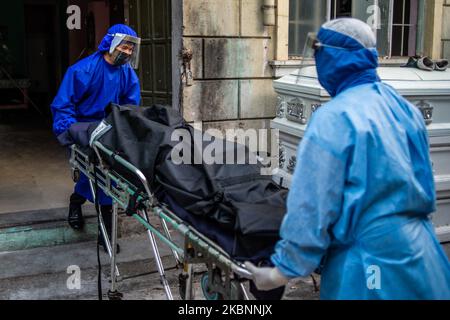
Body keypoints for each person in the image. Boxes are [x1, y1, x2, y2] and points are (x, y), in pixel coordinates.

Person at [246, 18, 450, 300]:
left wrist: (281, 271)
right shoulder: (404, 109)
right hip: (424, 259)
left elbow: (311, 207)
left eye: (319, 56)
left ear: (332, 58)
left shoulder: (333, 118)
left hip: (369, 269)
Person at [51, 24, 141, 250]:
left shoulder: (126, 72)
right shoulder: (82, 71)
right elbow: (63, 106)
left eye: (131, 49)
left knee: (106, 180)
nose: (128, 52)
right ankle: (77, 204)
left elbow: (131, 104)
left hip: (109, 131)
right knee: (89, 176)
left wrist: (127, 129)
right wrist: (72, 131)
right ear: (110, 43)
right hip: (84, 130)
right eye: (124, 47)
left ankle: (104, 233)